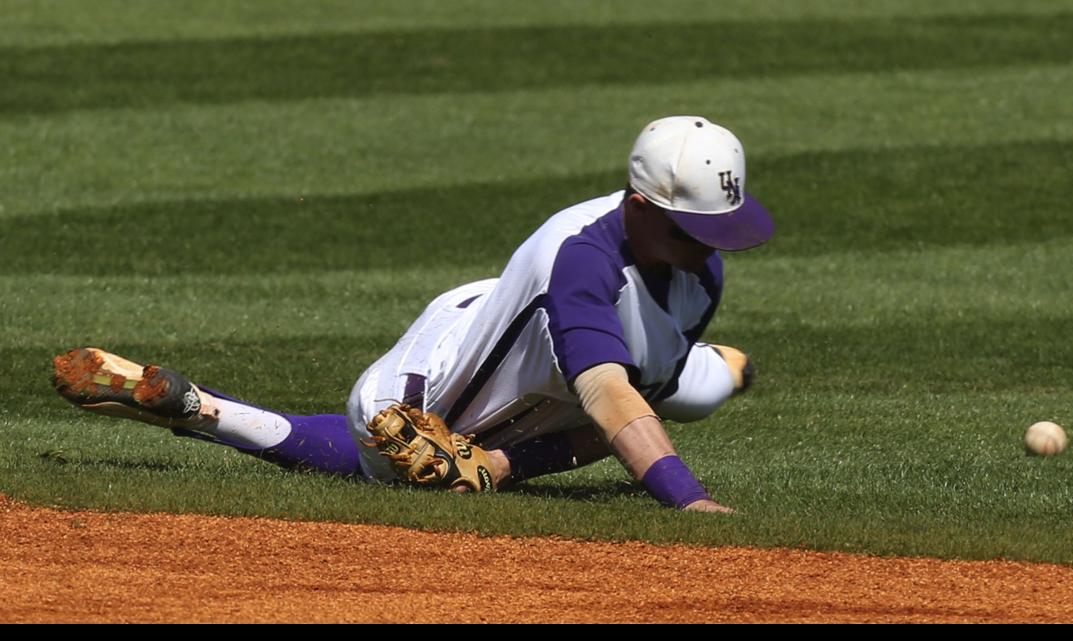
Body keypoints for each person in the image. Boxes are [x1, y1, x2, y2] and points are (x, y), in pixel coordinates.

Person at [50, 116, 774, 513]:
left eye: (718, 230)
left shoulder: (699, 273)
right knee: (402, 466)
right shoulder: (582, 259)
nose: (708, 247)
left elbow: (614, 420)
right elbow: (610, 401)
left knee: (689, 392)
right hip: (419, 384)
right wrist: (688, 499)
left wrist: (505, 464)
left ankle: (726, 369)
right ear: (639, 207)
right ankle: (204, 410)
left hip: (533, 351)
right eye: (690, 230)